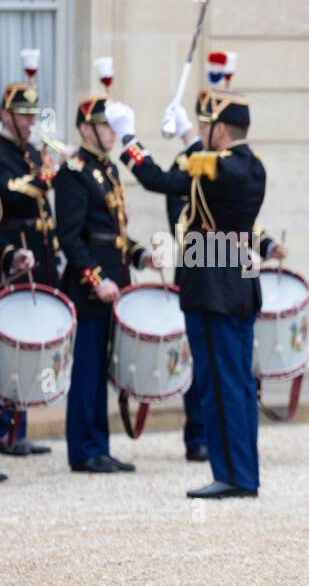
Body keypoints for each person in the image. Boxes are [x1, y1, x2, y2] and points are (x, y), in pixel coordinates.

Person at [111, 89, 281, 498]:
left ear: (219, 129)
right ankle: (242, 472)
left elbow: (158, 180)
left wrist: (129, 140)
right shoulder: (251, 165)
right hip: (237, 282)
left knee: (220, 384)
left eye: (205, 126)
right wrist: (189, 134)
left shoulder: (223, 168)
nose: (201, 133)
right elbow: (202, 173)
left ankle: (233, 476)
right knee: (237, 383)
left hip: (212, 286)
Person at [54, 94, 165, 474]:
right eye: (105, 126)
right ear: (86, 129)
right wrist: (96, 280)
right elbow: (70, 237)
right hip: (91, 287)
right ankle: (84, 449)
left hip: (115, 282)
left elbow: (115, 234)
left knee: (102, 368)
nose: (112, 132)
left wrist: (141, 256)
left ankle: (98, 445)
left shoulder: (107, 169)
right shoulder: (73, 171)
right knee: (86, 368)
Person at [0, 56, 59, 457]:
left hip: (38, 253)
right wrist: (44, 174)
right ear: (5, 114)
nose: (29, 121)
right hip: (10, 250)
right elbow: (13, 192)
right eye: (22, 115)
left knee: (28, 344)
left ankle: (17, 431)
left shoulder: (33, 152)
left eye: (32, 114)